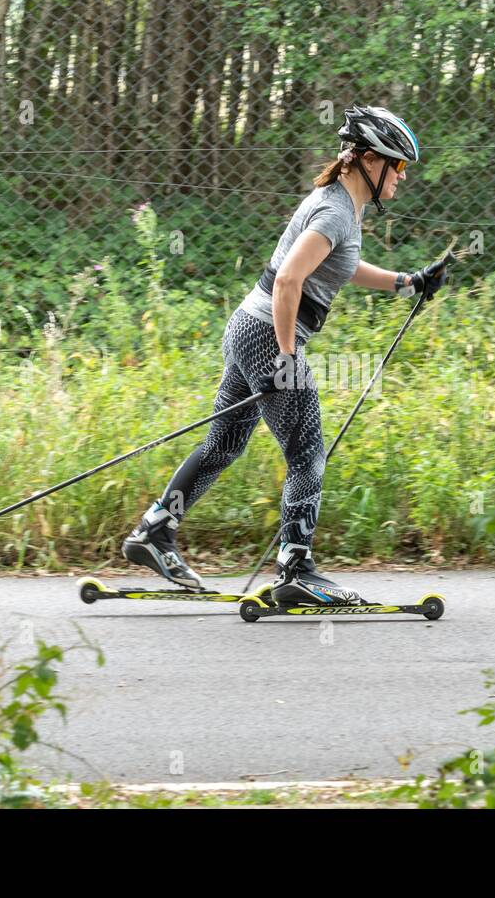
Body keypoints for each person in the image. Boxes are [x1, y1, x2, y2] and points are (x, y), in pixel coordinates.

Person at [121, 105, 448, 605]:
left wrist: (409, 282)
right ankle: (296, 567)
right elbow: (290, 280)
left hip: (246, 328)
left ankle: (155, 529)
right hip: (268, 337)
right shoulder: (335, 211)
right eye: (398, 165)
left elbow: (341, 265)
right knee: (307, 452)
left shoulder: (339, 204)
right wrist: (287, 356)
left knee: (223, 444)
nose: (402, 176)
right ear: (369, 160)